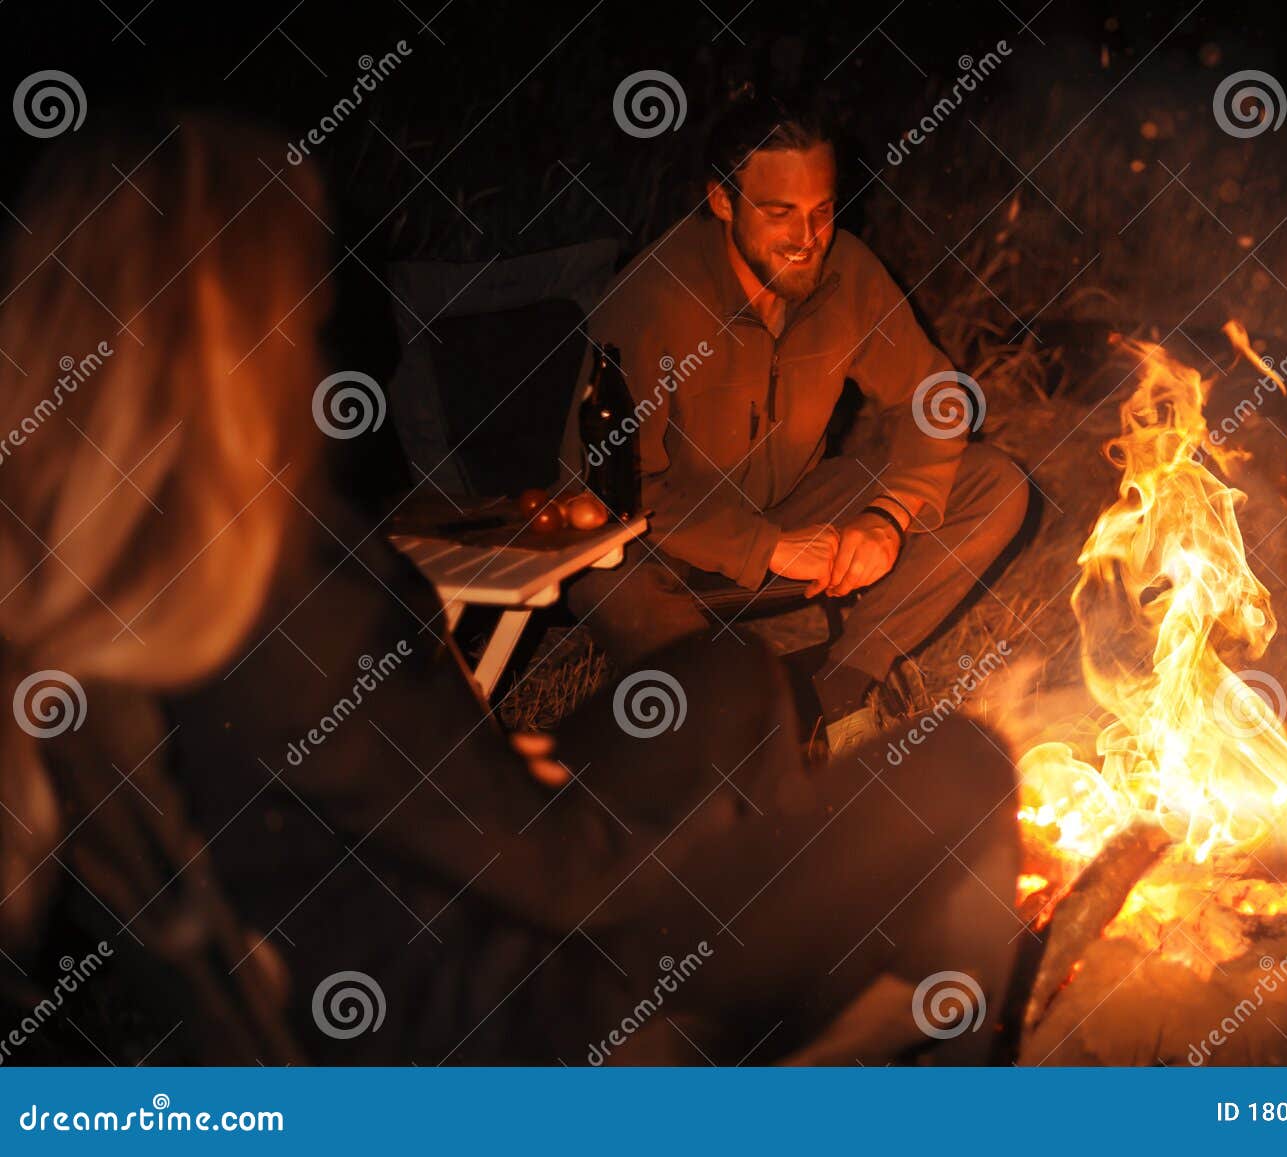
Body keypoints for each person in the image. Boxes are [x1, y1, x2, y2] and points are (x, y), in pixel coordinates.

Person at [0, 114, 1024, 1065]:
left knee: (728, 682)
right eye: (297, 312)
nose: (312, 343)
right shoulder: (290, 605)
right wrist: (744, 860)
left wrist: (484, 774)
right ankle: (816, 1044)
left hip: (436, 926)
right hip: (542, 1009)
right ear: (232, 341)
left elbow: (393, 799)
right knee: (961, 768)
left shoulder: (87, 610)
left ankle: (788, 885)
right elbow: (578, 877)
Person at [563, 93, 1029, 754]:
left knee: (996, 486)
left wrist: (888, 515)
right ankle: (724, 716)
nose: (807, 239)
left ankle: (837, 692)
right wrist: (763, 547)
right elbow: (600, 493)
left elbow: (934, 396)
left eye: (822, 211)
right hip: (657, 548)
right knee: (622, 599)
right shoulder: (655, 299)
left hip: (789, 512)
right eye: (780, 214)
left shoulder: (844, 272)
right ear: (724, 201)